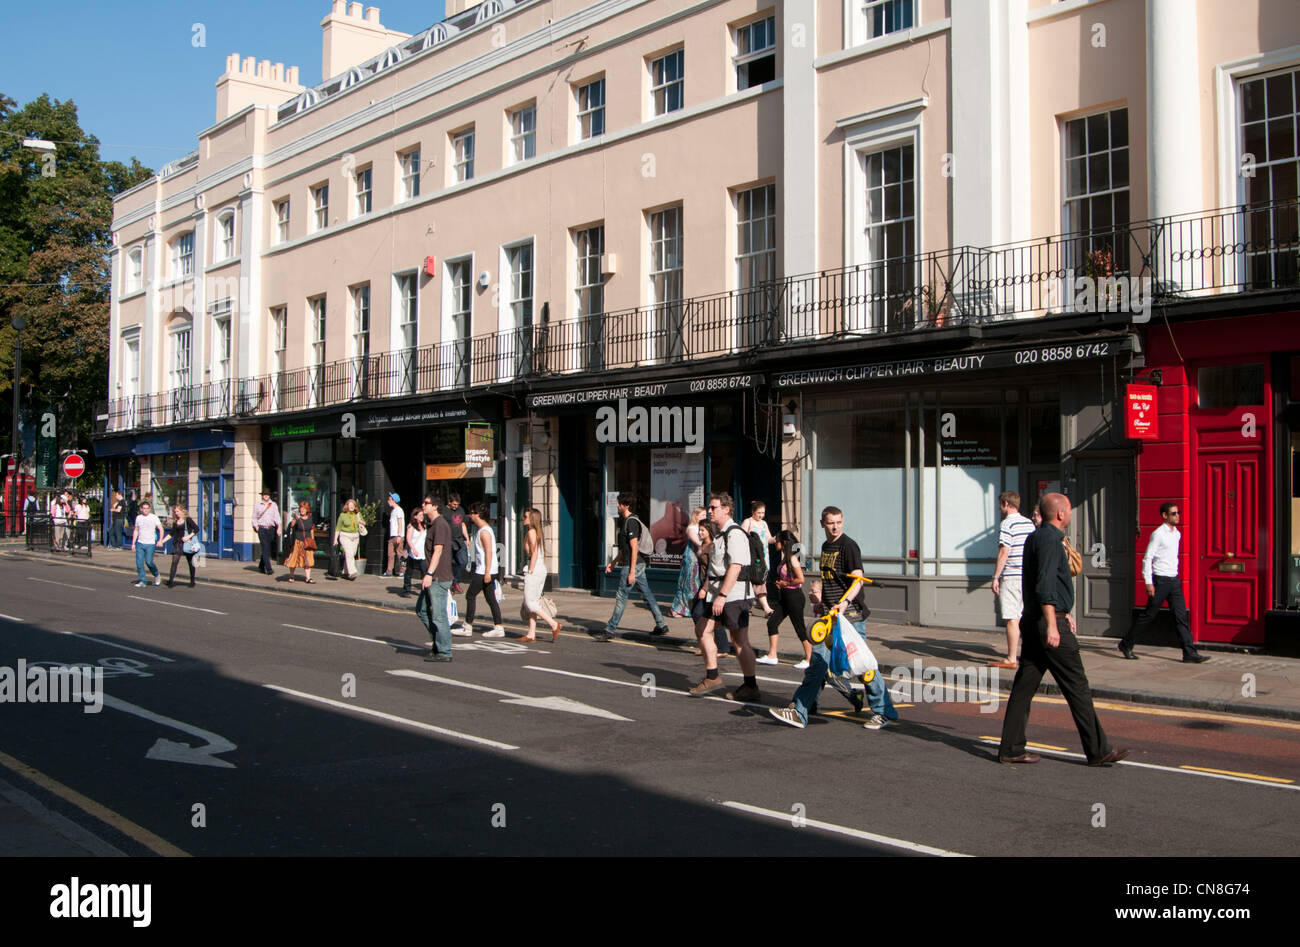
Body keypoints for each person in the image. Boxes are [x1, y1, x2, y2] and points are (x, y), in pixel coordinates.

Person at [997, 493, 1131, 765]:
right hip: (1047, 623)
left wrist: (1063, 612)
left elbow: (1046, 582)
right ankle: (1098, 750)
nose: (1070, 514)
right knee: (1077, 686)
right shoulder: (1049, 541)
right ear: (1060, 514)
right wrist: (1053, 625)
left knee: (1024, 687)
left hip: (1037, 620)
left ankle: (1011, 748)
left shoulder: (1038, 537)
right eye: (1069, 510)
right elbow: (1045, 585)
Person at [768, 506, 897, 730]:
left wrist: (844, 603)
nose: (835, 526)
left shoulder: (848, 546)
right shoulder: (827, 546)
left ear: (842, 521)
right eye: (830, 523)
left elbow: (857, 580)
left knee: (863, 666)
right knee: (818, 663)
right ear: (822, 524)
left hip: (852, 617)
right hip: (830, 616)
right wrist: (821, 603)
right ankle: (801, 709)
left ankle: (883, 710)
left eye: (838, 522)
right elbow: (831, 580)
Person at [690, 492, 760, 701]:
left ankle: (751, 685)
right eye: (709, 508)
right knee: (702, 628)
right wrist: (707, 589)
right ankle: (712, 677)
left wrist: (722, 595)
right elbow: (714, 569)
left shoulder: (735, 533)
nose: (709, 511)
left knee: (739, 641)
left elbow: (735, 567)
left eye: (713, 508)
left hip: (733, 595)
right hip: (716, 593)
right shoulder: (719, 535)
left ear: (726, 509)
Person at [1119, 502, 1208, 663]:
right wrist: (1148, 582)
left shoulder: (1177, 534)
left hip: (1174, 582)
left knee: (1181, 616)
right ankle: (1126, 644)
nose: (1177, 516)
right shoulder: (1158, 534)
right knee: (1148, 615)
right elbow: (1148, 558)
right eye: (1173, 513)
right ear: (1165, 516)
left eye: (1178, 513)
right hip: (1160, 581)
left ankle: (1189, 652)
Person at [596, 492, 670, 641]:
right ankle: (661, 625)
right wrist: (614, 563)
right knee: (647, 595)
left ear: (626, 506)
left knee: (621, 596)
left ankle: (610, 629)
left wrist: (631, 571)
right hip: (637, 565)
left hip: (633, 565)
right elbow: (625, 549)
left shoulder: (631, 523)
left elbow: (634, 548)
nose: (617, 505)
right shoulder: (627, 522)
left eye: (619, 503)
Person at [991, 491, 1035, 669]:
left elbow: (1004, 551)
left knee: (1012, 618)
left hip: (1012, 576)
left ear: (1007, 504)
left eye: (1001, 504)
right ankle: (1029, 654)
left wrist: (996, 576)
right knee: (1026, 617)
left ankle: (1011, 658)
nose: (1000, 508)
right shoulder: (1029, 523)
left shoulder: (1007, 524)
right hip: (1027, 577)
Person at [455, 501, 505, 637]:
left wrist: (487, 572)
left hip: (484, 571)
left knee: (470, 595)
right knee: (490, 599)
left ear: (477, 514)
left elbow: (489, 552)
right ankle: (499, 627)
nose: (470, 516)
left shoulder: (484, 532)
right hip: (487, 570)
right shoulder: (484, 530)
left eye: (471, 513)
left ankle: (467, 626)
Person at [762, 530, 810, 668]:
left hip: (794, 597)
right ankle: (772, 655)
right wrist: (781, 583)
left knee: (800, 628)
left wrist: (786, 584)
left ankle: (809, 658)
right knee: (772, 623)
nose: (775, 543)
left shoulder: (792, 558)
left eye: (776, 540)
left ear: (782, 542)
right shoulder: (785, 557)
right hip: (784, 597)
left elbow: (801, 579)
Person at [417, 496, 455, 662]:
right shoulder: (433, 524)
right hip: (434, 576)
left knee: (439, 615)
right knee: (422, 610)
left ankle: (444, 651)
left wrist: (429, 574)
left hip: (438, 577)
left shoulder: (439, 524)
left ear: (435, 506)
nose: (423, 505)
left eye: (426, 503)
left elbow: (438, 551)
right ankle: (438, 643)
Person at [520, 508, 562, 643]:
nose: (523, 518)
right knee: (534, 602)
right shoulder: (536, 532)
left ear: (532, 518)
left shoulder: (531, 532)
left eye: (526, 516)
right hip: (540, 569)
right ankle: (531, 634)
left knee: (530, 603)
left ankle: (554, 624)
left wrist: (530, 572)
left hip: (535, 569)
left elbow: (535, 555)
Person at [741, 500, 776, 617]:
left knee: (758, 581)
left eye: (763, 513)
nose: (761, 515)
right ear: (753, 512)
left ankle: (747, 607)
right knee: (758, 582)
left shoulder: (764, 523)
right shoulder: (748, 522)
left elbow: (769, 539)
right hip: (753, 557)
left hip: (763, 557)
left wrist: (777, 538)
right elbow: (742, 537)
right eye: (759, 513)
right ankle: (766, 608)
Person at [671, 507, 707, 618]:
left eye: (705, 515)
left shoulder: (703, 527)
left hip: (700, 559)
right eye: (702, 515)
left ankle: (694, 608)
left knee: (697, 585)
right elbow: (698, 542)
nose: (705, 517)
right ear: (696, 516)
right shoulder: (692, 528)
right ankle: (678, 609)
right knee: (688, 584)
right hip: (692, 560)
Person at [162, 505, 200, 588]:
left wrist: (188, 537)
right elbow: (171, 533)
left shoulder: (188, 520)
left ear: (182, 511)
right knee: (174, 561)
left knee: (190, 563)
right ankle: (171, 581)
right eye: (175, 512)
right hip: (178, 543)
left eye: (178, 511)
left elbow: (197, 529)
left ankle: (192, 581)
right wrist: (162, 541)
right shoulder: (175, 522)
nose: (176, 513)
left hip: (187, 543)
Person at [130, 501, 164, 587]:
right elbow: (136, 530)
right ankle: (142, 581)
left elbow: (161, 529)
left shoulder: (154, 517)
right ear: (141, 509)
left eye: (147, 508)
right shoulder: (138, 518)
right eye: (144, 508)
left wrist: (160, 540)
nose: (145, 510)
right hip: (140, 543)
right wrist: (133, 543)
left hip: (150, 543)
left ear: (149, 509)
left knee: (149, 562)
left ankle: (156, 574)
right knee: (139, 563)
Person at [284, 501, 316, 584]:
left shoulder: (310, 519)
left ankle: (308, 578)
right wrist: (295, 519)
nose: (302, 510)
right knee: (294, 559)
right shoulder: (297, 519)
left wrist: (313, 540)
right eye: (301, 508)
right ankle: (291, 576)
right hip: (297, 542)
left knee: (308, 560)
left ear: (307, 510)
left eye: (304, 509)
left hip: (307, 542)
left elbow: (312, 530)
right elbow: (291, 525)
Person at [252, 488, 281, 575]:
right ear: (262, 496)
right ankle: (268, 568)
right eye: (264, 495)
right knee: (265, 547)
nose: (266, 496)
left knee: (267, 548)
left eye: (267, 495)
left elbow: (277, 517)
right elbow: (254, 517)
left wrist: (279, 527)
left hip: (271, 528)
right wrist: (256, 527)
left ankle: (261, 565)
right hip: (261, 528)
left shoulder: (273, 505)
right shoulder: (257, 505)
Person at [445, 493, 470, 594]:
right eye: (454, 504)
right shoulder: (444, 511)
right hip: (448, 540)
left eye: (457, 504)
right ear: (449, 502)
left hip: (459, 540)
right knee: (447, 564)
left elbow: (463, 524)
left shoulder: (461, 510)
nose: (456, 506)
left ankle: (455, 581)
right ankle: (449, 586)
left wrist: (467, 538)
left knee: (464, 561)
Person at [333, 498, 363, 580]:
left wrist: (361, 521)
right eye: (350, 505)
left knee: (352, 554)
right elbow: (338, 528)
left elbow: (364, 523)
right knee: (349, 553)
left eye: (353, 505)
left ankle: (345, 572)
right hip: (345, 536)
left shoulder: (357, 514)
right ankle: (352, 572)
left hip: (355, 536)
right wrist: (335, 539)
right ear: (347, 506)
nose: (351, 507)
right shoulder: (343, 515)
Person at [401, 508, 425, 597]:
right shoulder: (411, 526)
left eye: (422, 515)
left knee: (424, 572)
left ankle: (425, 591)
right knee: (408, 573)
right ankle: (406, 590)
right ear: (415, 516)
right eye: (420, 515)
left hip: (422, 553)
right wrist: (413, 549)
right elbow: (408, 539)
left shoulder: (424, 525)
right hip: (413, 553)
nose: (422, 517)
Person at [383, 493, 405, 578]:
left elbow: (400, 523)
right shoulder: (393, 511)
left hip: (397, 536)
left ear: (394, 501)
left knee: (400, 554)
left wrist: (399, 535)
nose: (388, 501)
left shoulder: (399, 510)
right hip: (392, 536)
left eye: (389, 500)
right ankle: (389, 571)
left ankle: (402, 571)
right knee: (390, 554)